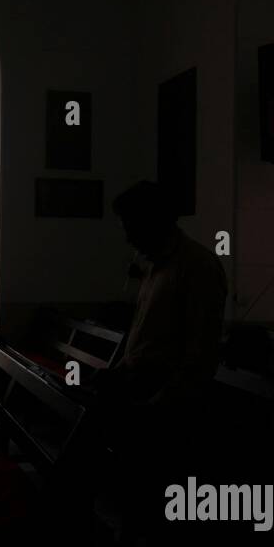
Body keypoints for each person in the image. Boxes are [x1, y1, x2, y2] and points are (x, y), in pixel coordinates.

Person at [95, 180, 227, 427]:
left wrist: (158, 405)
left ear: (151, 224)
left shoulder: (197, 266)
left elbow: (200, 351)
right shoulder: (154, 266)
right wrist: (119, 372)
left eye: (131, 229)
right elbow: (146, 336)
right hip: (139, 391)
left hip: (167, 405)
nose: (128, 240)